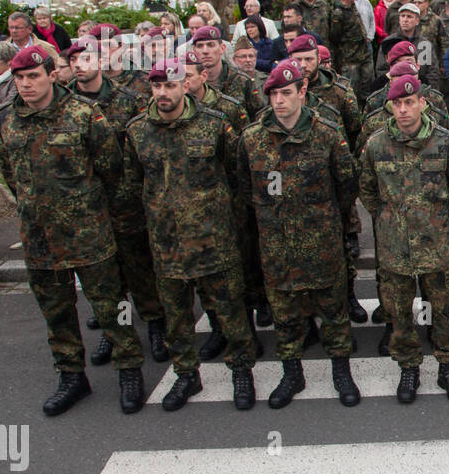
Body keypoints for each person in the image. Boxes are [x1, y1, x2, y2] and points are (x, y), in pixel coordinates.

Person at [0, 45, 146, 414]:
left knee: (112, 306)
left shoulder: (84, 115)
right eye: (19, 78)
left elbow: (112, 171)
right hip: (40, 238)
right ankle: (71, 376)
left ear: (51, 74)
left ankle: (129, 368)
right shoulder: (7, 121)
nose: (26, 85)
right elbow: (7, 172)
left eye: (33, 76)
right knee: (56, 312)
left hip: (89, 233)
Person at [123, 59, 257, 411]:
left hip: (215, 240)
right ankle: (186, 374)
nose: (163, 92)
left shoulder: (214, 125)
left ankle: (241, 370)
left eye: (170, 85)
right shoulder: (138, 130)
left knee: (230, 310)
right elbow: (134, 181)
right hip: (167, 244)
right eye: (156, 86)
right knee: (177, 316)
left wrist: (230, 223)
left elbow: (237, 175)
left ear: (186, 85)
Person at [238, 60, 360, 408]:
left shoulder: (327, 134)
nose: (279, 101)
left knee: (334, 313)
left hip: (322, 244)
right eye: (273, 94)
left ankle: (341, 370)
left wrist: (322, 219)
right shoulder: (252, 140)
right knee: (286, 316)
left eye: (286, 93)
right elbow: (245, 190)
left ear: (302, 92)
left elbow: (346, 185)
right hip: (277, 248)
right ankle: (292, 372)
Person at [359, 73, 449, 403]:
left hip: (436, 247)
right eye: (398, 103)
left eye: (410, 102)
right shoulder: (377, 144)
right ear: (390, 107)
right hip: (395, 249)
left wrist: (442, 217)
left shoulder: (444, 140)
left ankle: (448, 366)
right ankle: (409, 367)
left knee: (443, 310)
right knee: (399, 312)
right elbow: (366, 188)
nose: (405, 109)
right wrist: (387, 218)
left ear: (422, 103)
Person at [67, 37, 168, 366]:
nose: (80, 66)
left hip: (125, 202)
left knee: (139, 268)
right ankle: (117, 332)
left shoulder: (129, 101)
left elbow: (146, 146)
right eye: (74, 61)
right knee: (108, 280)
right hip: (85, 209)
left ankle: (155, 324)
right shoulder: (65, 105)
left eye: (86, 59)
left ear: (100, 61)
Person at [329, 0, 375, 97]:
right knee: (352, 86)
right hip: (350, 55)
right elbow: (335, 36)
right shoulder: (338, 13)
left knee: (368, 80)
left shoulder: (352, 7)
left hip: (363, 52)